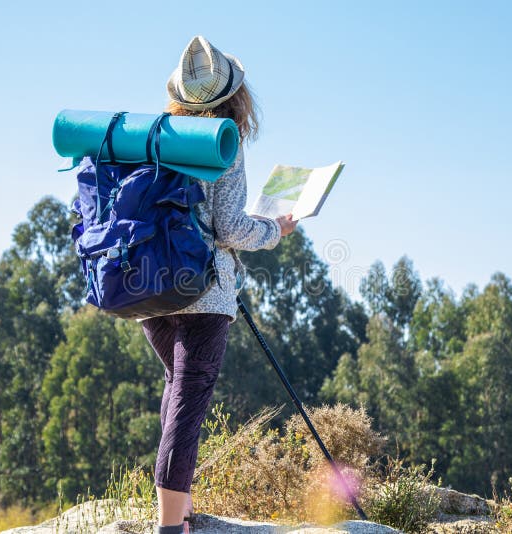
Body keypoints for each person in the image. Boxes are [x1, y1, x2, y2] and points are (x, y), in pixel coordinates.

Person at [140, 35, 298, 534]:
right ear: (236, 97)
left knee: (175, 390)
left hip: (148, 290)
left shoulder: (154, 138)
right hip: (204, 294)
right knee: (188, 402)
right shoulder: (222, 144)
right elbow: (230, 229)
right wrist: (276, 229)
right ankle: (171, 527)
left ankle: (177, 513)